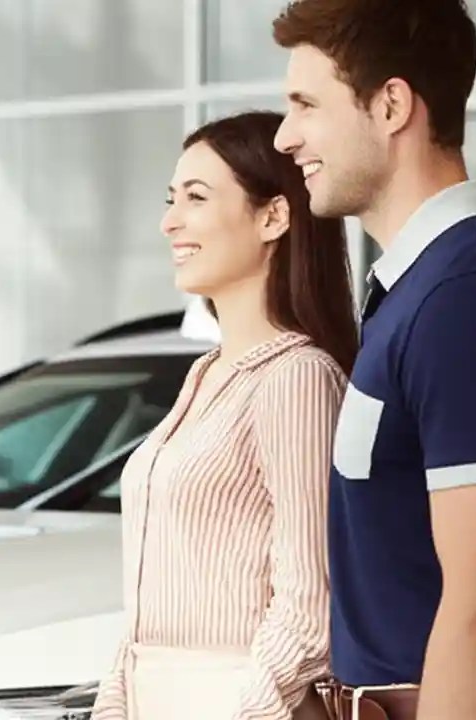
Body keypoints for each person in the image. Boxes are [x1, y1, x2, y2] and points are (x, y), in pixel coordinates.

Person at [271, 1, 476, 718]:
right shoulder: (428, 288)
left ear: (390, 105)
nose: (285, 137)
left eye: (305, 105)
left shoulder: (475, 297)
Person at [90, 110, 358, 720]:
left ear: (274, 216)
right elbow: (146, 618)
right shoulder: (205, 373)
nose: (169, 221)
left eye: (196, 197)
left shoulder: (296, 377)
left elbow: (309, 608)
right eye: (170, 199)